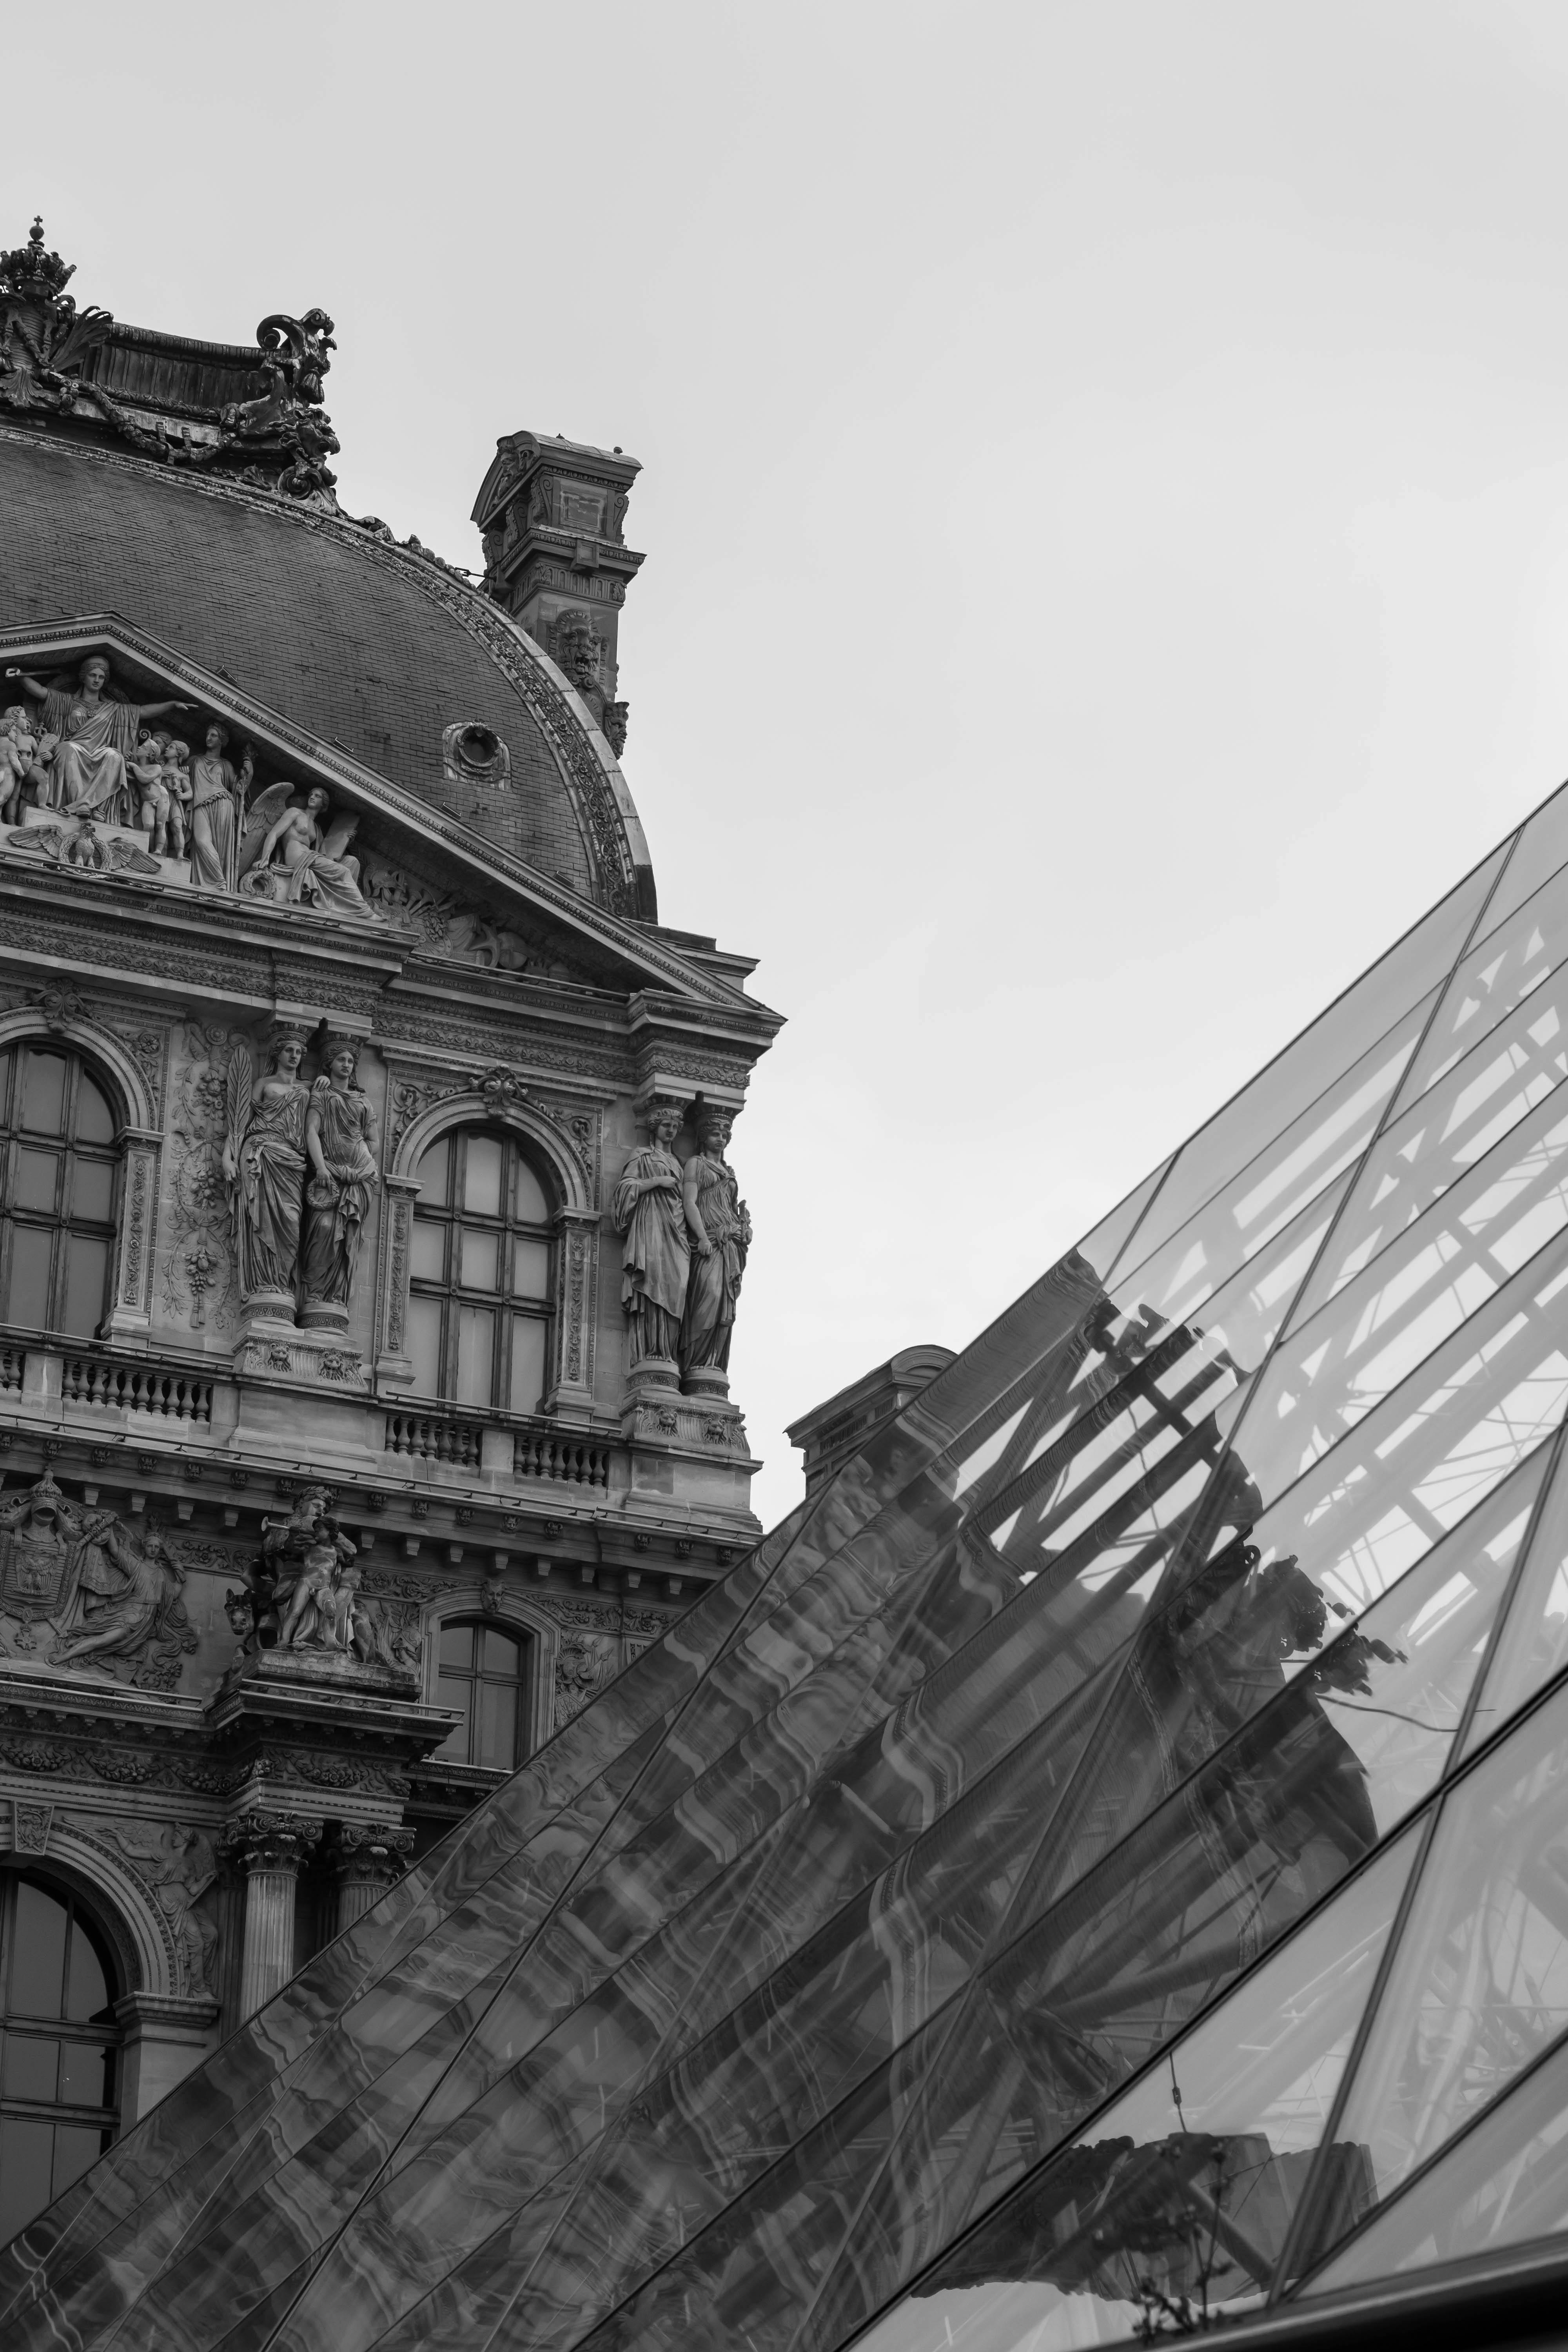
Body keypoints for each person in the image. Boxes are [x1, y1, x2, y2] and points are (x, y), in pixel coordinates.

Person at [5, 654, 193, 821]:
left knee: (114, 755)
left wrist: (172, 704)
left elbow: (143, 712)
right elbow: (40, 692)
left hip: (100, 751)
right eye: (93, 675)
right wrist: (21, 676)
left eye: (101, 677)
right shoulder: (66, 701)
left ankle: (98, 808)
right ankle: (81, 804)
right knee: (70, 749)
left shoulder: (114, 709)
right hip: (72, 746)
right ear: (83, 677)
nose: (97, 680)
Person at [223, 1027, 311, 1307]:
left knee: (292, 1222)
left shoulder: (310, 1088)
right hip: (259, 1155)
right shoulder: (263, 1083)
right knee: (261, 1219)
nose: (294, 1056)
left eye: (299, 1052)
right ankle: (265, 1283)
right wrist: (228, 1156)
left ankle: (283, 1282)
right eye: (289, 1050)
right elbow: (239, 1124)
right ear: (278, 1053)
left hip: (291, 1161)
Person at [300, 1036, 378, 1320]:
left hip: (358, 1178)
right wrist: (323, 1167)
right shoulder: (321, 1094)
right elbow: (312, 1132)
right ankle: (315, 1293)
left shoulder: (363, 1102)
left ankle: (335, 1295)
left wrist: (357, 1165)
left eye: (351, 1061)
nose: (346, 1065)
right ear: (329, 1063)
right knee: (322, 1227)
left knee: (349, 1236)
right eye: (341, 1060)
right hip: (328, 1173)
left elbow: (373, 1141)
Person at [612, 1100, 690, 1368]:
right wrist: (657, 1182)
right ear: (655, 1128)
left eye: (675, 1127)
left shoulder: (681, 1164)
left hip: (677, 1232)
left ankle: (668, 1352)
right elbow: (624, 1191)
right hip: (651, 1227)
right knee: (653, 1282)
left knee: (677, 1286)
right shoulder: (642, 1156)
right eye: (666, 1126)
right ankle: (652, 1352)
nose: (671, 1131)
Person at [679, 1108, 752, 1383]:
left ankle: (713, 1363)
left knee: (726, 1306)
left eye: (724, 1135)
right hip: (708, 1241)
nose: (720, 1139)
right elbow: (689, 1203)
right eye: (715, 1134)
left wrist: (745, 1230)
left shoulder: (729, 1171)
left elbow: (731, 1209)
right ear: (703, 1137)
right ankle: (696, 1360)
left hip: (731, 1245)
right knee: (708, 1297)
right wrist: (701, 1237)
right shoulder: (695, 1164)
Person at [189, 721, 249, 890]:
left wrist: (248, 775)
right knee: (201, 842)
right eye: (208, 734)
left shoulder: (226, 765)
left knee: (220, 848)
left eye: (213, 735)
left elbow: (239, 790)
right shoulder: (194, 760)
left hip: (223, 804)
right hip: (200, 805)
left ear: (222, 741)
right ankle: (217, 882)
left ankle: (220, 886)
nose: (208, 738)